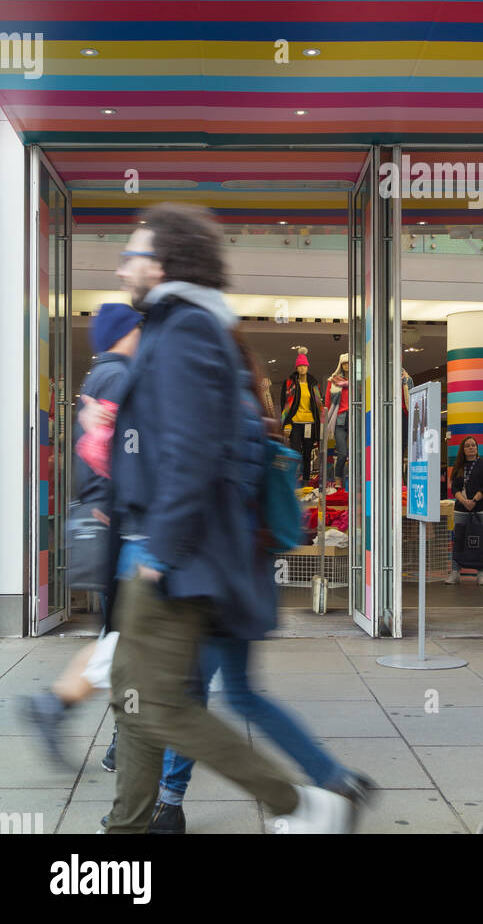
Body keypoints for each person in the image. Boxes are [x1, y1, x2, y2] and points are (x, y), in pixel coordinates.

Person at [103, 202, 353, 833]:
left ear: (160, 262)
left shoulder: (185, 329)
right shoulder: (176, 326)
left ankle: (303, 802)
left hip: (172, 556)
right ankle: (127, 832)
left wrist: (160, 549)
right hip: (165, 548)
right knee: (141, 706)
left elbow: (192, 452)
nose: (122, 264)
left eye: (132, 253)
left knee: (169, 706)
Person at [149, 335, 376, 833]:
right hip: (239, 581)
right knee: (241, 693)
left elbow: (216, 504)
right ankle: (334, 779)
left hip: (218, 585)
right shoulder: (247, 409)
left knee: (190, 697)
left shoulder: (223, 413)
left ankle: (169, 805)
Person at [21, 303, 142, 768]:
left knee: (122, 633)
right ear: (124, 332)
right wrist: (116, 500)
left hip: (108, 515)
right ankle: (62, 708)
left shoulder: (103, 375)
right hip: (117, 521)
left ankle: (76, 716)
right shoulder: (117, 376)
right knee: (126, 635)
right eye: (138, 328)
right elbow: (99, 447)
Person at [446, 436, 483, 587]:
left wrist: (474, 501)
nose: (471, 447)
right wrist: (464, 501)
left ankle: (480, 573)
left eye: (473, 445)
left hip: (481, 508)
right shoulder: (459, 466)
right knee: (458, 539)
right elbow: (454, 488)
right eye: (468, 445)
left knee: (481, 540)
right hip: (461, 508)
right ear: (463, 449)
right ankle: (455, 572)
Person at [281, 353, 323, 486]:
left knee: (307, 453)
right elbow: (286, 405)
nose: (302, 368)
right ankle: (292, 481)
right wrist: (286, 424)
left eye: (304, 365)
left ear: (308, 367)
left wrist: (322, 425)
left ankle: (306, 482)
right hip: (295, 423)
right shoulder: (290, 383)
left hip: (309, 423)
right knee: (294, 453)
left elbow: (318, 406)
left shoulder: (313, 383)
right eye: (300, 366)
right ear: (296, 368)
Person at [325, 353, 350, 488]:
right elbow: (328, 403)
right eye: (344, 363)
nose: (346, 366)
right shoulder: (333, 381)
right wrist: (327, 422)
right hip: (339, 419)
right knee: (342, 453)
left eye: (348, 363)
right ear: (340, 365)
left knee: (358, 453)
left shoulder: (358, 381)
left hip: (355, 419)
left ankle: (357, 479)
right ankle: (338, 477)